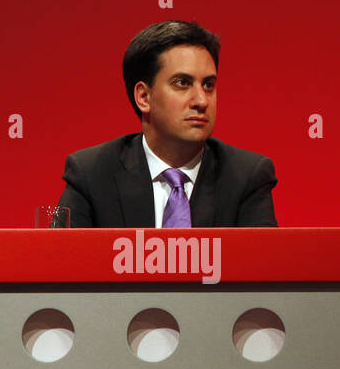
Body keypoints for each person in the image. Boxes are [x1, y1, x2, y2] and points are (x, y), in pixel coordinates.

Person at [57, 21, 276, 228]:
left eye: (208, 85)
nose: (202, 101)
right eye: (183, 83)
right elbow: (59, 262)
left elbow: (262, 266)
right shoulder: (91, 174)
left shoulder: (247, 177)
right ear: (144, 97)